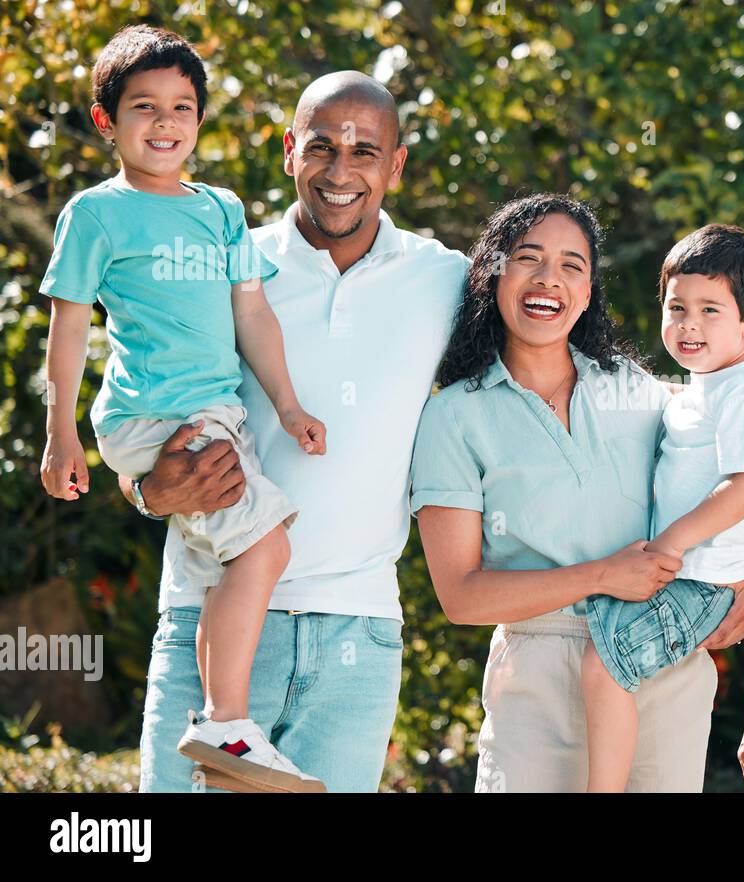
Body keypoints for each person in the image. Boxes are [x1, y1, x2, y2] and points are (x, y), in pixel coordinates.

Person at [129, 70, 470, 792]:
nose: (340, 173)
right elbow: (140, 396)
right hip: (210, 614)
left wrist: (735, 394)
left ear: (397, 165)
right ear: (289, 150)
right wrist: (146, 489)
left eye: (365, 153)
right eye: (321, 148)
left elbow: (552, 364)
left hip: (359, 634)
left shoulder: (446, 280)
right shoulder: (223, 262)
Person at [412, 194, 744, 792]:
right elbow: (461, 597)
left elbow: (730, 438)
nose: (549, 279)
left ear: (588, 290)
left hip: (661, 669)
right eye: (528, 258)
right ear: (493, 272)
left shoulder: (632, 388)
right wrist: (601, 575)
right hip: (535, 681)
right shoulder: (455, 416)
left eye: (572, 265)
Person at [38, 25, 327, 792]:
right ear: (107, 121)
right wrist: (58, 435)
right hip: (160, 418)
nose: (164, 123)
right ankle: (226, 727)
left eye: (181, 107)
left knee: (219, 570)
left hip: (215, 411)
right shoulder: (97, 214)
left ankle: (213, 719)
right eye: (143, 107)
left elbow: (253, 315)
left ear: (199, 120)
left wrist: (288, 405)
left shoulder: (222, 209)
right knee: (266, 548)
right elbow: (68, 327)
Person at [581, 224, 744, 791]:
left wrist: (671, 541)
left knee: (605, 667)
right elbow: (680, 406)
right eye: (676, 308)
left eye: (709, 310)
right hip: (685, 577)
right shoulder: (709, 388)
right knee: (602, 655)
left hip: (704, 583)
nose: (689, 324)